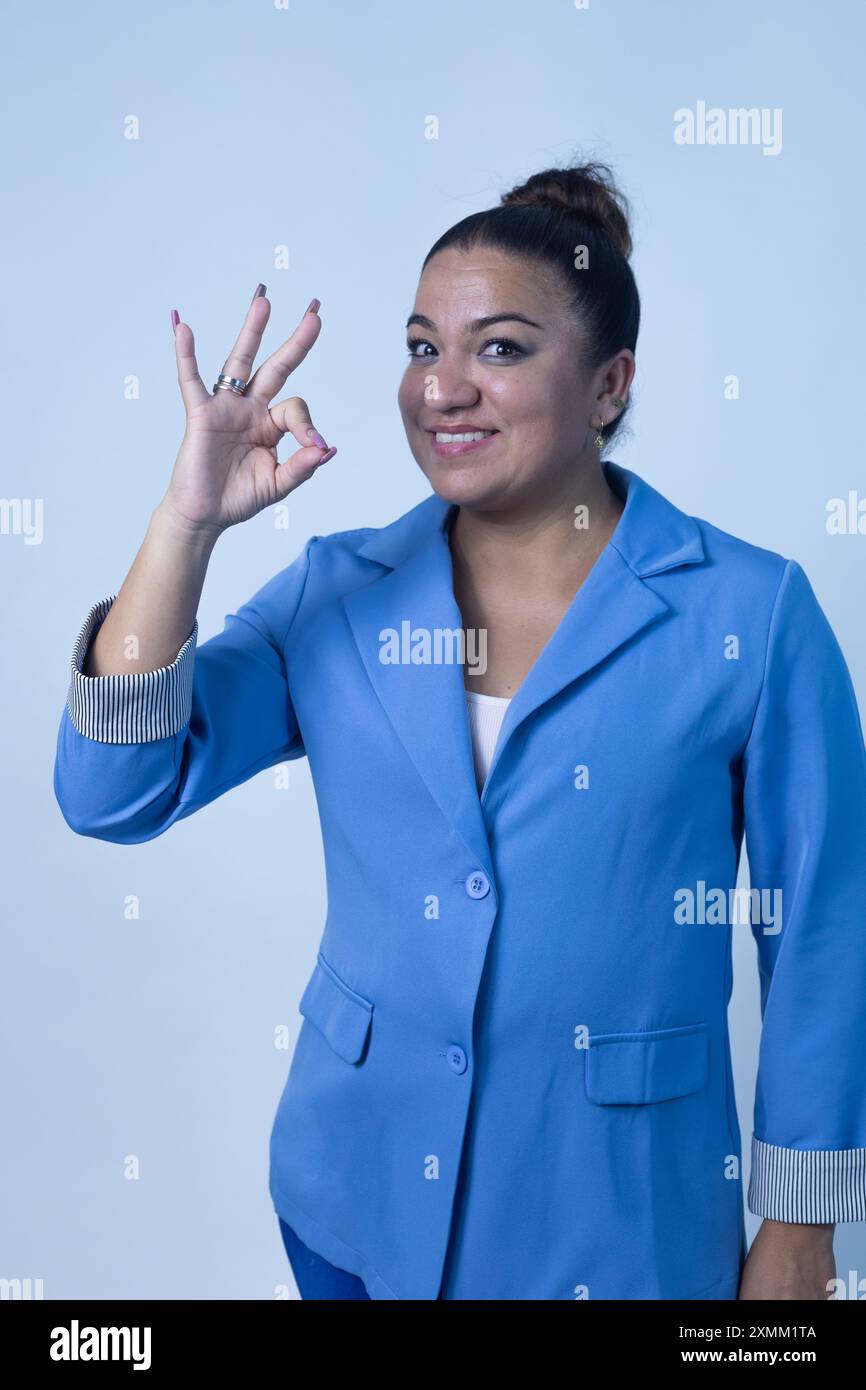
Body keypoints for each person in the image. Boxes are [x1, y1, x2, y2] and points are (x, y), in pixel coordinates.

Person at [53, 162, 866, 1300]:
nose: (442, 388)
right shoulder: (339, 592)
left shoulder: (749, 612)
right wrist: (185, 524)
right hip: (355, 1202)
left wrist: (802, 1226)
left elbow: (823, 929)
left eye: (500, 348)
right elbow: (112, 794)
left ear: (608, 385)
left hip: (616, 1225)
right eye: (421, 346)